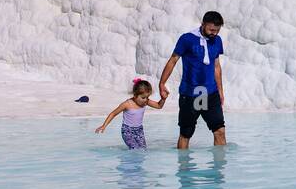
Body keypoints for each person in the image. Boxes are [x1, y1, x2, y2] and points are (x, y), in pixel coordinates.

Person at [158, 11, 226, 149]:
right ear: (203, 24)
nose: (214, 33)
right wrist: (162, 83)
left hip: (210, 93)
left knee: (219, 131)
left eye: (217, 31)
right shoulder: (187, 39)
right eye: (211, 29)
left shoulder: (217, 41)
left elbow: (216, 67)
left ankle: (219, 169)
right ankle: (183, 169)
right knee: (186, 134)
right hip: (190, 93)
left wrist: (220, 91)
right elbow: (173, 60)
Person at [96, 78, 168, 149]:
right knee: (135, 149)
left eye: (147, 97)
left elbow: (159, 106)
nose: (146, 99)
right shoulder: (127, 104)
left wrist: (163, 99)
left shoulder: (146, 101)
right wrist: (104, 125)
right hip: (127, 130)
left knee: (143, 149)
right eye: (143, 97)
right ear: (135, 95)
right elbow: (113, 113)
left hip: (139, 130)